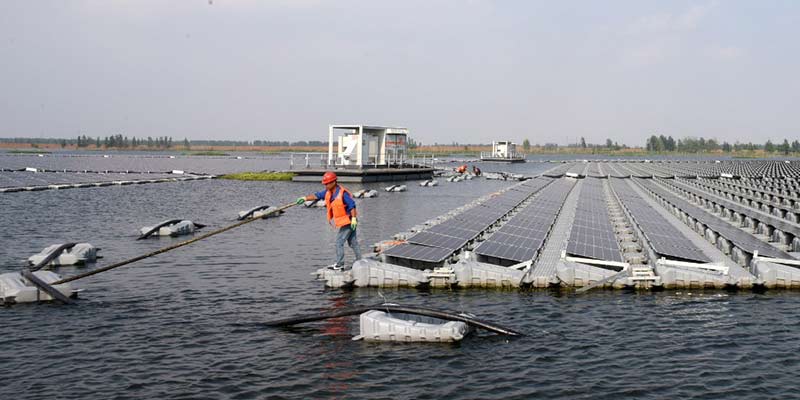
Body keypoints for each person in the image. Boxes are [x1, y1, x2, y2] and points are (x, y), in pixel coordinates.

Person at [297, 171, 361, 270]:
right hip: (346, 221)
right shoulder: (328, 192)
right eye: (325, 184)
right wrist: (304, 198)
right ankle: (360, 260)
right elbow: (316, 196)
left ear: (334, 182)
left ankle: (340, 265)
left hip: (349, 221)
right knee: (353, 242)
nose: (326, 185)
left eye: (327, 183)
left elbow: (352, 206)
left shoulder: (342, 193)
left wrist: (353, 219)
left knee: (339, 242)